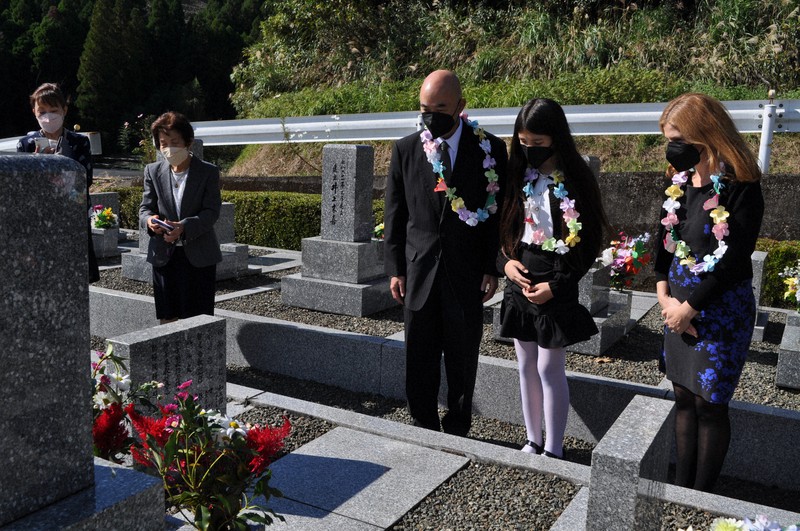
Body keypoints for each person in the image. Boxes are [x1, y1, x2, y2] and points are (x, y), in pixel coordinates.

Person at [383, 70, 508, 436]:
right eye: (424, 108)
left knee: (462, 356)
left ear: (460, 107)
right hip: (419, 269)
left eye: (440, 107)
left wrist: (491, 266)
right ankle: (421, 423)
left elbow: (496, 213)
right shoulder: (406, 149)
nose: (431, 115)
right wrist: (395, 268)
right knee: (418, 354)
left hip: (466, 272)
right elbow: (395, 214)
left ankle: (458, 425)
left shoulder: (489, 149)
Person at [655, 93, 764, 491]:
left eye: (680, 138)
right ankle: (680, 485)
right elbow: (662, 237)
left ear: (706, 134)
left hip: (718, 306)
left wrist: (690, 308)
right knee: (683, 397)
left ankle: (702, 493)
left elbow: (736, 257)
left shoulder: (740, 183)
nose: (674, 147)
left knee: (710, 403)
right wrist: (664, 294)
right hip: (675, 302)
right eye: (669, 138)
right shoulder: (677, 180)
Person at [497, 98, 607, 459]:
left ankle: (555, 446)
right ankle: (532, 438)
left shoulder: (576, 179)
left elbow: (588, 240)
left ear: (556, 139)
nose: (529, 151)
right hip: (522, 269)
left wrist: (558, 285)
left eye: (538, 144)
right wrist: (506, 264)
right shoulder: (517, 174)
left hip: (556, 273)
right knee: (525, 363)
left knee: (549, 365)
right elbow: (504, 226)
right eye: (524, 143)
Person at [139, 111, 222, 324]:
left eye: (174, 142)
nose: (168, 148)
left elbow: (211, 211)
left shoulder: (208, 172)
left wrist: (184, 227)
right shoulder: (153, 171)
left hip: (198, 255)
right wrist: (150, 222)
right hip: (164, 255)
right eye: (163, 143)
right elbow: (145, 209)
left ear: (188, 142)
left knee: (197, 319)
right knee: (168, 316)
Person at [17, 82, 100, 283]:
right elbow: (21, 185)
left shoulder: (79, 142)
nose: (48, 116)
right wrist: (36, 164)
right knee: (42, 275)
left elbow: (86, 179)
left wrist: (62, 170)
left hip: (73, 213)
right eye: (42, 111)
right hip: (39, 216)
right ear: (34, 112)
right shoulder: (27, 143)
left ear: (64, 110)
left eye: (53, 110)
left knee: (75, 275)